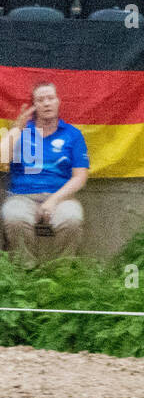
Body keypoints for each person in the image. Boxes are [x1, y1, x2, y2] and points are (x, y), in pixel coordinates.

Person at [1, 82, 89, 264]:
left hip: (61, 197)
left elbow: (80, 176)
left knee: (72, 220)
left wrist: (54, 200)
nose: (47, 103)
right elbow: (2, 159)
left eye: (50, 98)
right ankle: (26, 272)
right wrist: (16, 128)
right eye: (40, 100)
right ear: (34, 106)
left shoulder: (73, 135)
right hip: (22, 196)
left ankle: (61, 272)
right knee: (14, 218)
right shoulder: (23, 132)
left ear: (58, 102)